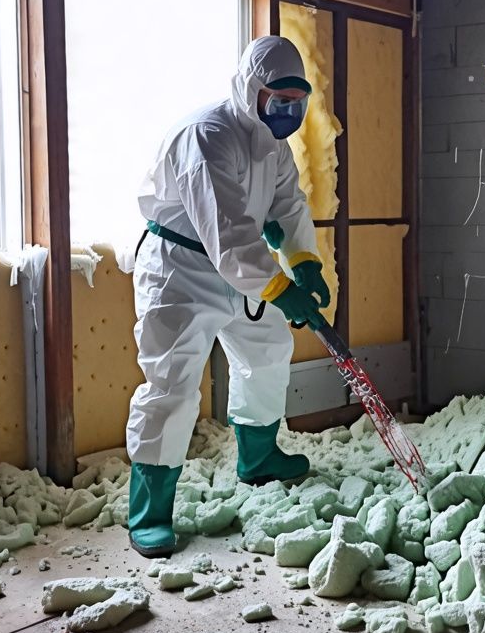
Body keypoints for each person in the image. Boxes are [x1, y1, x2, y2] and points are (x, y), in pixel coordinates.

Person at [125, 35, 333, 557]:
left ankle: (258, 458)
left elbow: (288, 210)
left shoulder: (273, 145)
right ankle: (149, 511)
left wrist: (306, 266)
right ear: (251, 91)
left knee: (267, 352)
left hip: (238, 268)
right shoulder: (208, 136)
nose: (288, 111)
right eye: (278, 100)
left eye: (296, 102)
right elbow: (231, 237)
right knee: (172, 384)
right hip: (181, 269)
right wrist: (282, 289)